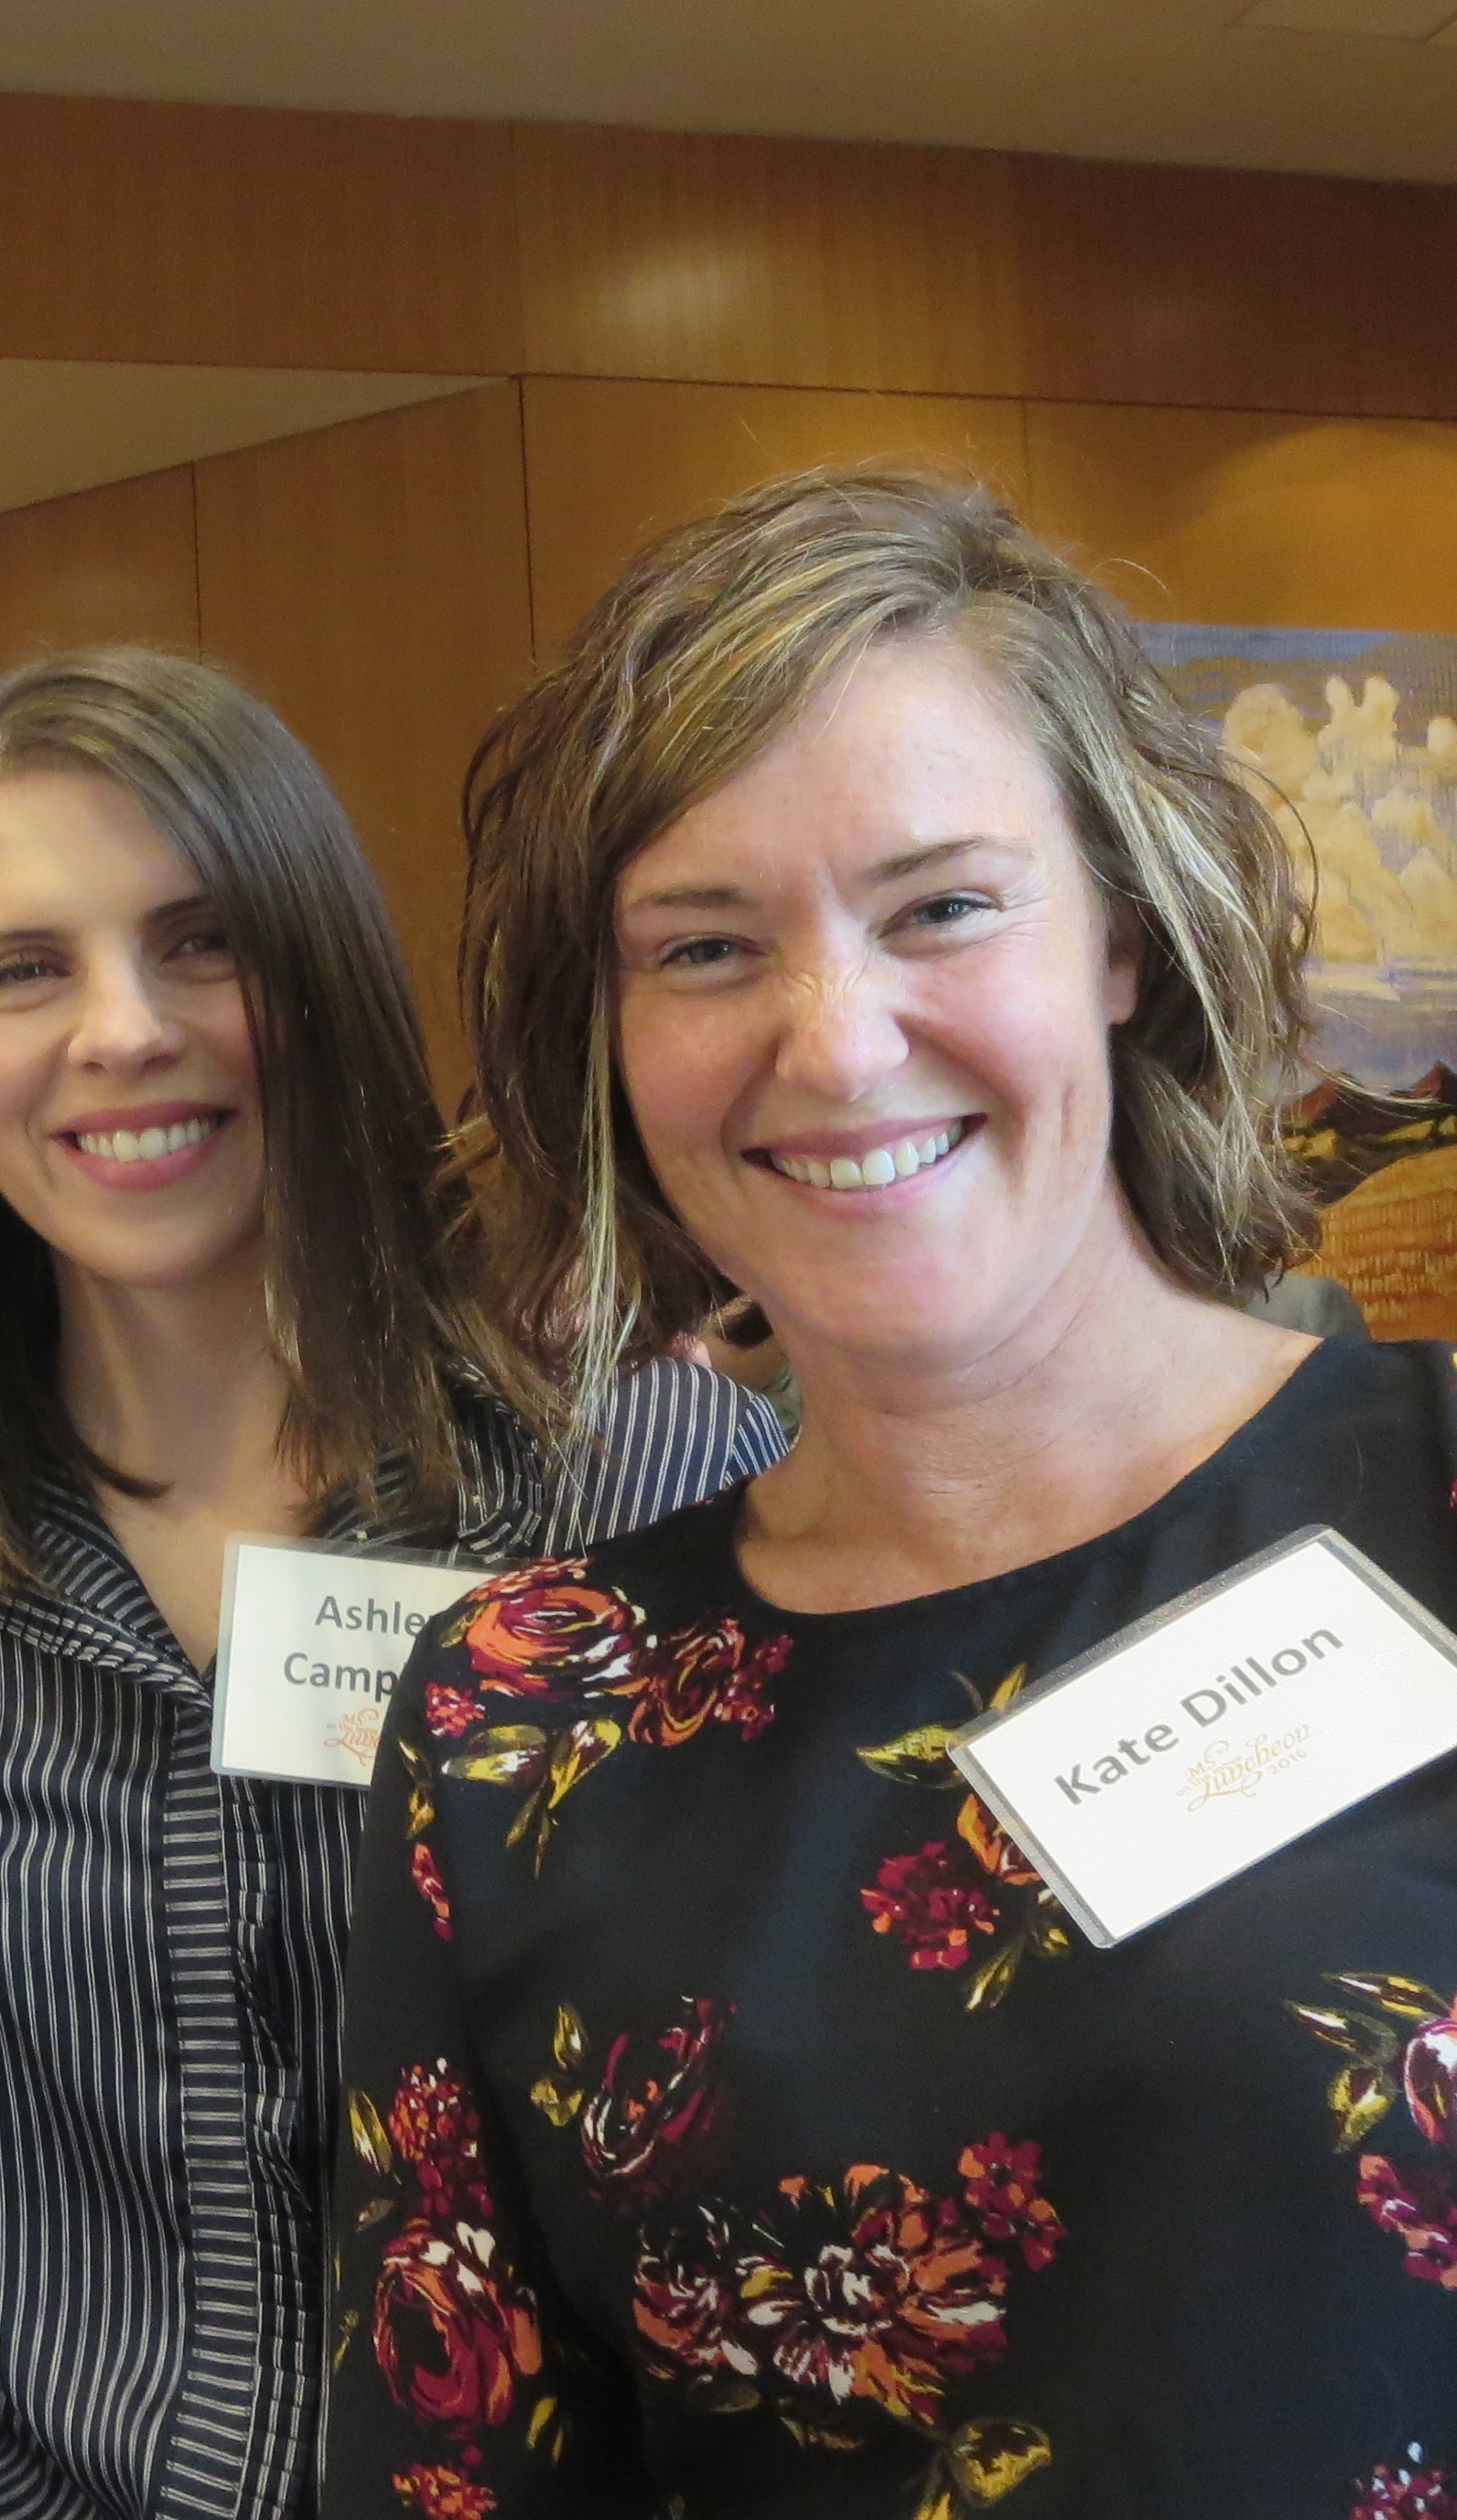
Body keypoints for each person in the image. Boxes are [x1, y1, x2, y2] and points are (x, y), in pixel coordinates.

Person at [322, 469, 1457, 2518]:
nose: (835, 1043)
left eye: (939, 905)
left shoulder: (1433, 1502)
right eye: (703, 942)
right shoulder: (520, 1712)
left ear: (1118, 932)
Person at [0, 647, 782, 2518]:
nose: (118, 1030)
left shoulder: (640, 1485)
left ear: (320, 977)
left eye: (199, 943)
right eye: (24, 967)